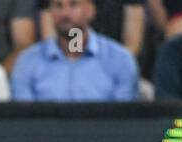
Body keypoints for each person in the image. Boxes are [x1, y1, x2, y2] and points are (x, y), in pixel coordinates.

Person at [10, 0, 138, 99]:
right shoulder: (27, 63)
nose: (65, 13)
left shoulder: (120, 60)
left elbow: (123, 121)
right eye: (58, 6)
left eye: (73, 4)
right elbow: (25, 124)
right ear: (50, 13)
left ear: (90, 10)